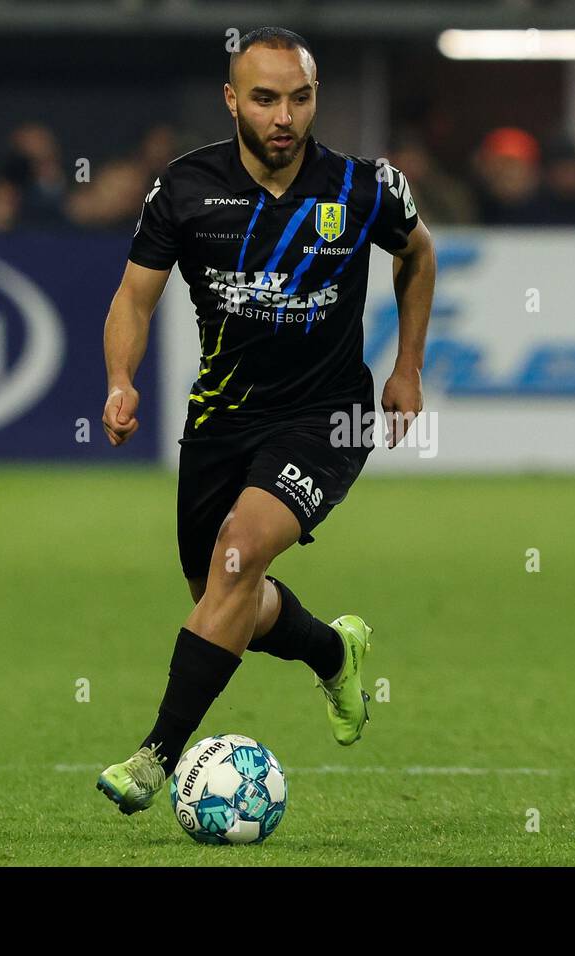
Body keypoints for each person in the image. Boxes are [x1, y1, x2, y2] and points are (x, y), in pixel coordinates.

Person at [95, 26, 436, 816]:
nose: (285, 115)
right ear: (231, 100)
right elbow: (133, 296)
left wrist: (408, 366)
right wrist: (120, 380)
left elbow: (417, 255)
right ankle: (332, 649)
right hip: (221, 418)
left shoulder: (362, 187)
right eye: (266, 98)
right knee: (225, 596)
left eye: (301, 97)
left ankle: (156, 756)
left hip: (328, 416)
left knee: (239, 559)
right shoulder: (184, 188)